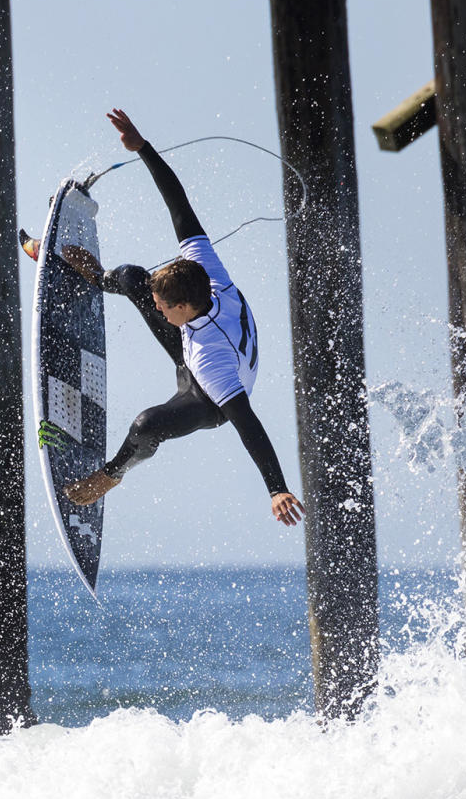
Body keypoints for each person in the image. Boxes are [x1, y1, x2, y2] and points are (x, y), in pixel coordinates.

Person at [60, 109, 305, 528]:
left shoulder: (212, 363)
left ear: (184, 308)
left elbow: (249, 425)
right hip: (200, 337)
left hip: (208, 399)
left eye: (162, 307)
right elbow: (178, 202)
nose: (155, 310)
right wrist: (143, 148)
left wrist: (276, 487)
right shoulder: (205, 268)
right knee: (133, 278)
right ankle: (98, 278)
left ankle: (111, 476)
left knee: (146, 425)